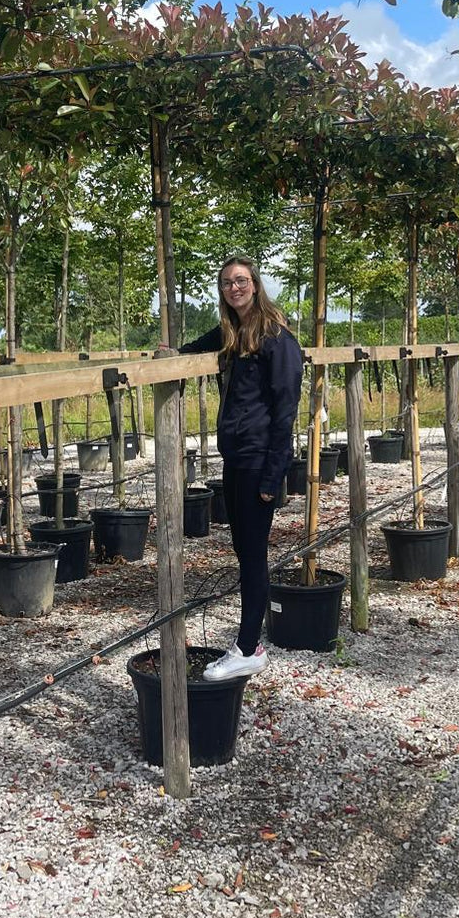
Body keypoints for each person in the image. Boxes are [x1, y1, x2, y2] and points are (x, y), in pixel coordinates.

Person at [180, 256, 303, 680]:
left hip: (258, 459)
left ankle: (249, 647)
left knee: (253, 556)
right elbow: (202, 343)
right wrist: (173, 355)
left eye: (241, 281)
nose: (235, 288)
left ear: (255, 285)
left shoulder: (276, 338)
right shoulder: (233, 334)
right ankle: (250, 641)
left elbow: (286, 411)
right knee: (242, 550)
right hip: (235, 458)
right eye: (227, 283)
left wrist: (275, 475)